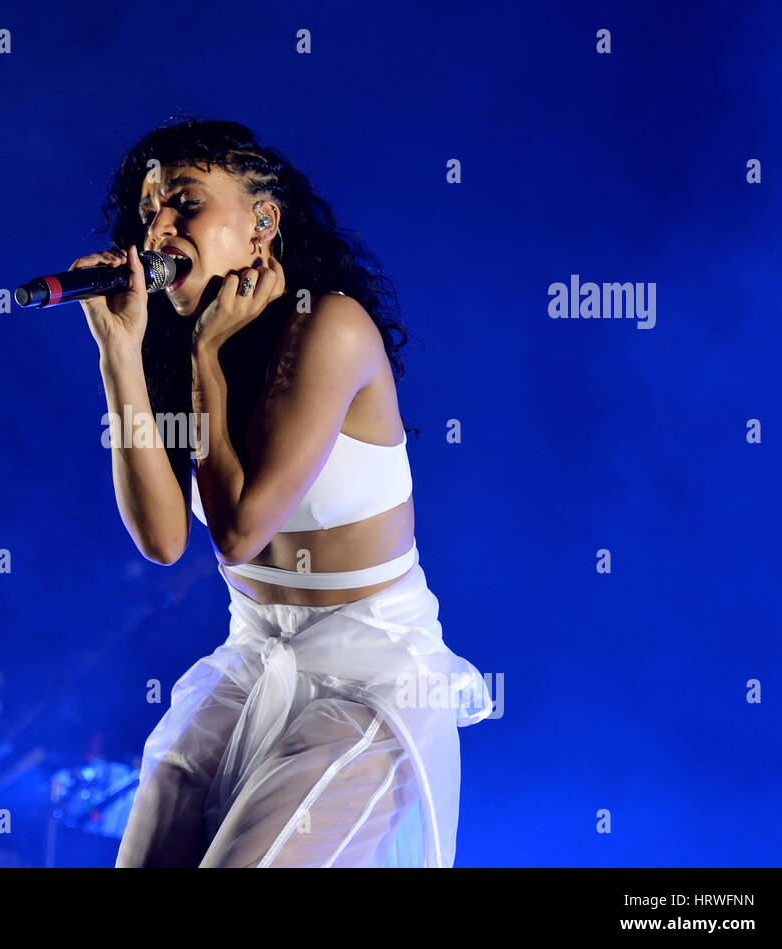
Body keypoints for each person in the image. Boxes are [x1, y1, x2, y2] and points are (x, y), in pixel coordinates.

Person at [71, 117, 493, 867]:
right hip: (253, 661)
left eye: (184, 203)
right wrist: (119, 351)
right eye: (146, 213)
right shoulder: (175, 349)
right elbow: (164, 541)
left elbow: (238, 531)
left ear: (262, 222)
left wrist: (206, 356)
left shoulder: (330, 328)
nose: (157, 228)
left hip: (370, 682)